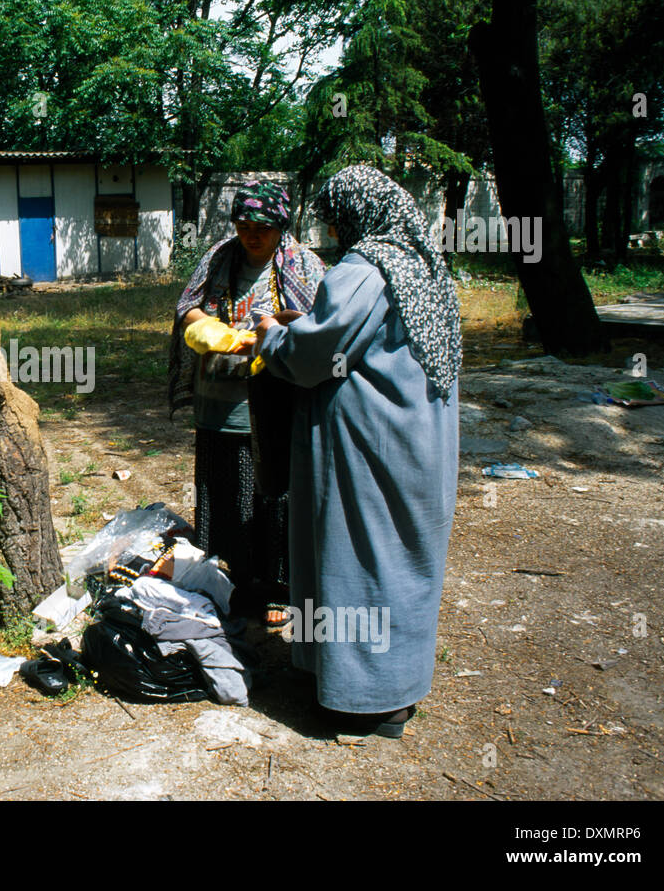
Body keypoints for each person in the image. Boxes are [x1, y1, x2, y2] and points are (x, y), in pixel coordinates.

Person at [252, 165, 461, 738]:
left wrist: (272, 332)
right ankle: (395, 687)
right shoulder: (422, 264)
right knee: (402, 563)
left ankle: (362, 701)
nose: (336, 229)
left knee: (359, 561)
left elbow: (316, 354)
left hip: (366, 452)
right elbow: (361, 336)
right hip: (419, 444)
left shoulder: (366, 267)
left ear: (354, 215)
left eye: (338, 217)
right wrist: (309, 323)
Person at [169, 181, 325, 623]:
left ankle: (277, 589)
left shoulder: (304, 265)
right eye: (243, 225)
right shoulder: (219, 257)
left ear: (281, 225)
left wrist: (274, 331)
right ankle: (229, 581)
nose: (252, 234)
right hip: (219, 400)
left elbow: (322, 324)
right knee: (223, 492)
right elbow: (190, 306)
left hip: (276, 401)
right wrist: (210, 331)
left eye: (262, 227)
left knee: (274, 493)